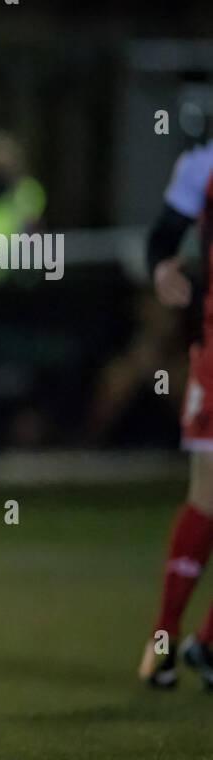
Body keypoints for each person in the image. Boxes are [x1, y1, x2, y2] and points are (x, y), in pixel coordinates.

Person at [138, 139, 213, 689]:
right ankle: (178, 641)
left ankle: (192, 644)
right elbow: (164, 236)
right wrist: (162, 268)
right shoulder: (204, 162)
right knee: (206, 495)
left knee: (205, 496)